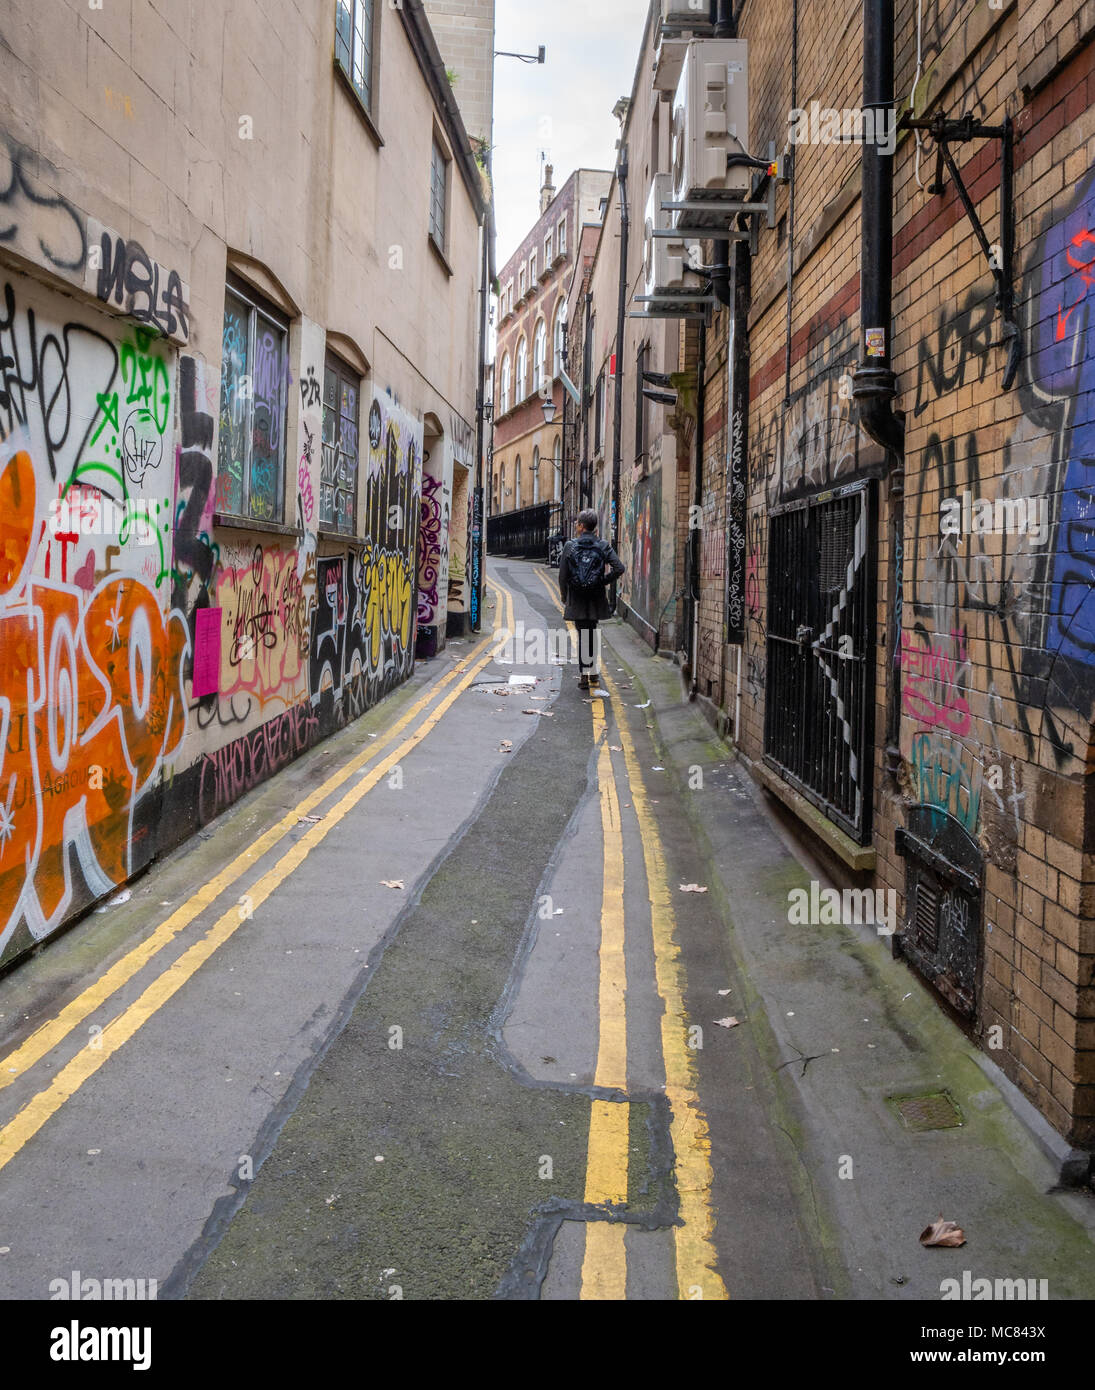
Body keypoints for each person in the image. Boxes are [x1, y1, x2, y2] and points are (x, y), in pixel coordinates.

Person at [558, 508, 625, 690]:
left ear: (580, 526)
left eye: (577, 524)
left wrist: (565, 596)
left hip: (577, 598)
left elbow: (562, 576)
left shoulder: (570, 546)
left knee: (582, 635)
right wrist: (602, 581)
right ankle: (593, 671)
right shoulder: (602, 545)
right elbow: (619, 568)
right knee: (592, 633)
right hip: (595, 597)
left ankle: (584, 676)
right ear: (594, 527)